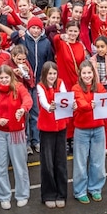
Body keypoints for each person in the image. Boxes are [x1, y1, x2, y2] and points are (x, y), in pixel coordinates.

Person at [0, 65, 32, 209]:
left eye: (7, 77)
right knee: (0, 165)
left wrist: (22, 109)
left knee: (20, 165)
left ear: (11, 77)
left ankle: (22, 194)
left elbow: (28, 100)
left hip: (16, 132)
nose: (4, 80)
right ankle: (3, 196)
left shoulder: (19, 88)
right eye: (2, 78)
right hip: (0, 132)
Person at [70, 61, 107, 202]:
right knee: (80, 162)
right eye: (84, 73)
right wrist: (90, 105)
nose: (87, 75)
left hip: (98, 128)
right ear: (80, 74)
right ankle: (80, 191)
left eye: (89, 72)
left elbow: (105, 99)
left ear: (93, 73)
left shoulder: (99, 87)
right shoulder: (76, 88)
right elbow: (81, 104)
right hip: (82, 130)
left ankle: (95, 188)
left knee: (98, 161)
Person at [35, 62, 70, 204]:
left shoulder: (60, 83)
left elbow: (64, 96)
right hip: (47, 129)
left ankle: (61, 194)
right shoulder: (40, 86)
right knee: (48, 164)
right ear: (44, 74)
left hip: (61, 128)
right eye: (49, 74)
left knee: (61, 162)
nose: (52, 76)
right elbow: (43, 101)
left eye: (54, 73)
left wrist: (69, 103)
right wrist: (50, 107)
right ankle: (48, 194)